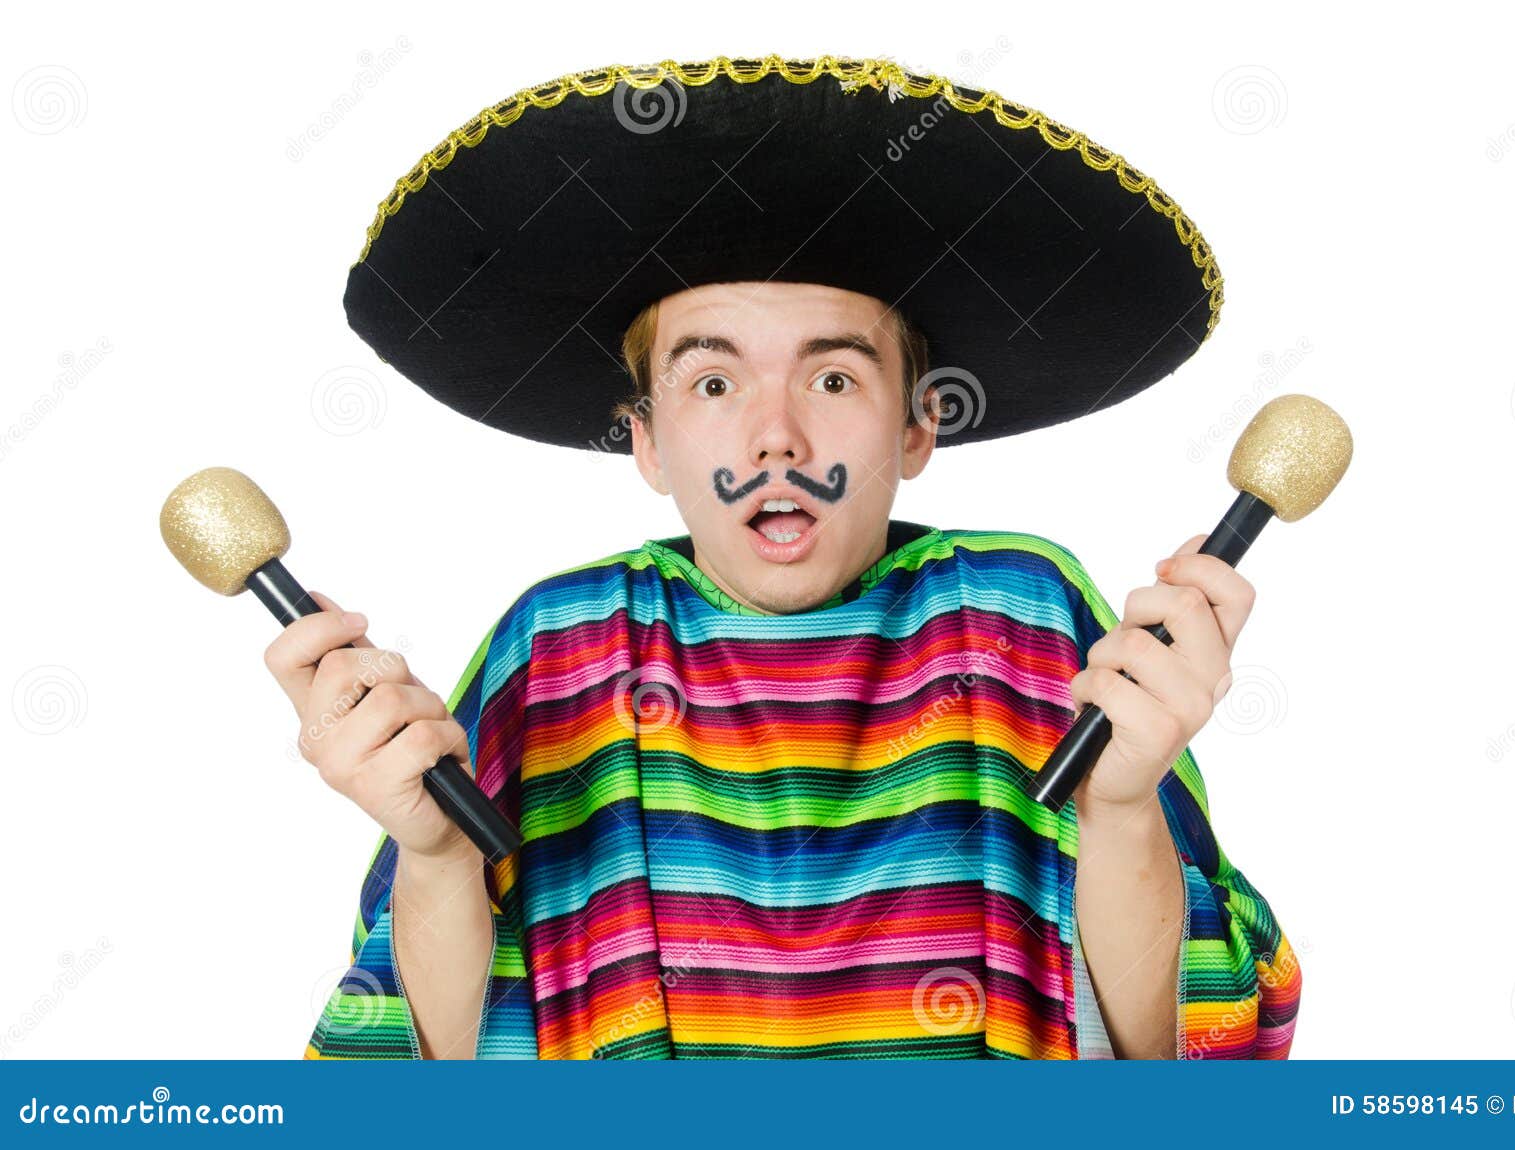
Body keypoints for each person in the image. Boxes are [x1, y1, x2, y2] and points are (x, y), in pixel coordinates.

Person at [285, 55, 1301, 1060]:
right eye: (714, 385)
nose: (776, 438)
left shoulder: (1020, 617)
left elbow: (1169, 1069)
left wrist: (1119, 809)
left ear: (915, 425)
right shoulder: (558, 650)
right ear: (644, 437)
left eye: (833, 380)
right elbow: (427, 1083)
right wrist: (431, 856)